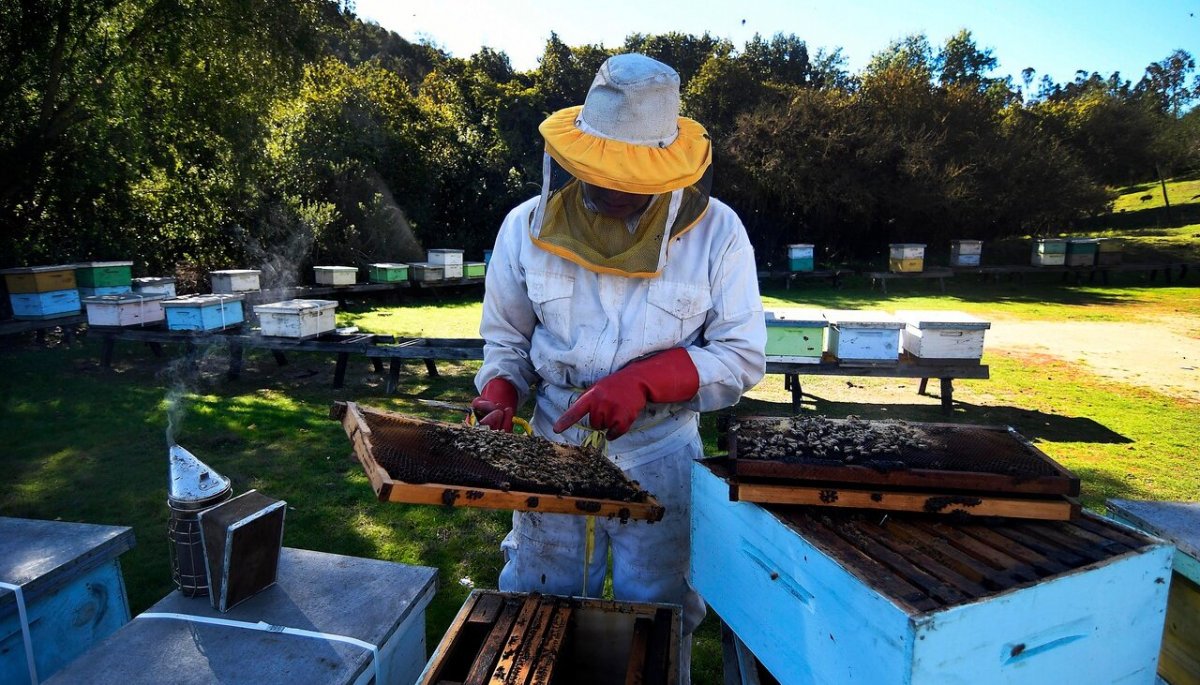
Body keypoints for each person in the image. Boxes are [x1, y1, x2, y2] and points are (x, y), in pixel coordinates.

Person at [471, 52, 766, 678]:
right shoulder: (524, 226)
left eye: (628, 176)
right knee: (538, 594)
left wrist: (642, 382)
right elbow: (507, 341)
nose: (609, 189)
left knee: (661, 612)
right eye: (599, 170)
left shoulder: (718, 234)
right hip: (553, 442)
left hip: (660, 451)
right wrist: (500, 391)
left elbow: (741, 355)